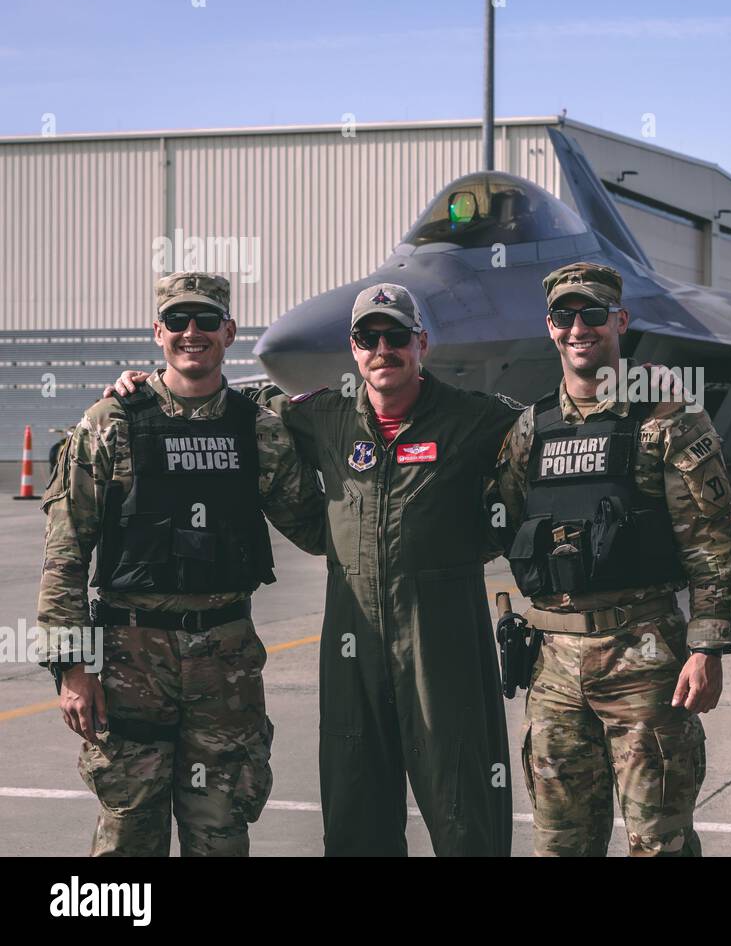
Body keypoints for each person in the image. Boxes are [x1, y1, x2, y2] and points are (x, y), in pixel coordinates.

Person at [113, 282, 521, 856]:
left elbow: (549, 443)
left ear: (421, 342)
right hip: (352, 637)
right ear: (353, 348)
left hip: (443, 639)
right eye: (368, 337)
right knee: (355, 801)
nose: (383, 349)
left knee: (464, 803)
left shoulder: (475, 418)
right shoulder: (324, 415)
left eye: (396, 336)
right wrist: (142, 389)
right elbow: (219, 404)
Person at [43, 273, 327, 856]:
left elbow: (317, 528)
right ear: (158, 332)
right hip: (129, 659)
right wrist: (72, 668)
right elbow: (66, 551)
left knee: (221, 829)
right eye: (177, 321)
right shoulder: (111, 423)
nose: (190, 332)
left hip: (225, 661)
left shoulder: (258, 429)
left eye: (204, 320)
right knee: (128, 834)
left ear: (229, 331)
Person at [490, 261, 731, 857]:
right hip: (552, 666)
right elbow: (503, 520)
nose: (579, 327)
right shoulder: (530, 430)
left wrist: (706, 646)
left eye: (593, 314)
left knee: (658, 841)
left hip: (644, 656)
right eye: (564, 316)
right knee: (559, 842)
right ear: (550, 327)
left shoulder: (666, 420)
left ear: (620, 321)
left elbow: (710, 543)